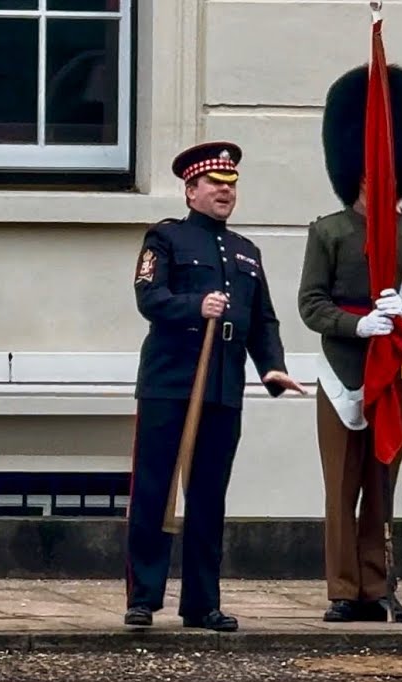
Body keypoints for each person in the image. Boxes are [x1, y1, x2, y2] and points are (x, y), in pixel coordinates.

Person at [125, 141, 306, 631]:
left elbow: (262, 320)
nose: (225, 192)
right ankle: (143, 597)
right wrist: (193, 306)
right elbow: (149, 296)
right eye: (214, 184)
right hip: (170, 380)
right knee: (154, 490)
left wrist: (272, 367)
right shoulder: (165, 238)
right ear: (191, 191)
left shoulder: (247, 252)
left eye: (231, 185)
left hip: (222, 384)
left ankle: (202, 602)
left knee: (209, 495)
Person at [297, 62, 402, 623]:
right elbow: (311, 303)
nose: (373, 179)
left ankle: (379, 585)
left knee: (383, 480)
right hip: (342, 369)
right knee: (341, 486)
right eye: (364, 172)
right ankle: (342, 587)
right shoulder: (328, 231)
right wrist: (356, 325)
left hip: (394, 368)